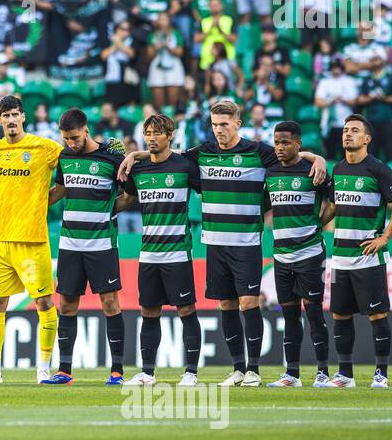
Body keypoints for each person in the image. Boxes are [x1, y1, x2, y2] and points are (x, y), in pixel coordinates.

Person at [119, 99, 326, 384]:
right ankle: (238, 369)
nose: (219, 130)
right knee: (226, 306)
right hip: (215, 243)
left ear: (238, 124)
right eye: (215, 125)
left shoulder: (258, 152)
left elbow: (289, 155)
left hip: (246, 242)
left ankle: (253, 370)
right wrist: (135, 156)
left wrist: (318, 158)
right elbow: (166, 152)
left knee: (248, 302)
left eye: (225, 125)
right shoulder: (202, 153)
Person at [0, 95, 63, 385]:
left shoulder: (45, 147)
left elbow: (69, 173)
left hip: (33, 240)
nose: (10, 120)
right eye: (5, 116)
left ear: (23, 117)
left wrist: (42, 202)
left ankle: (43, 369)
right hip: (0, 241)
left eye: (15, 114)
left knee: (44, 302)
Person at [112, 112, 203, 386]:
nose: (151, 138)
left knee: (186, 311)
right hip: (148, 254)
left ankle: (190, 373)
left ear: (170, 135)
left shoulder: (186, 166)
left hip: (177, 254)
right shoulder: (138, 170)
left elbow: (206, 192)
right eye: (147, 133)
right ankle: (147, 373)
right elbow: (126, 198)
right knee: (149, 312)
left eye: (157, 134)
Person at [48, 109, 129, 385]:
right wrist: (30, 205)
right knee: (67, 304)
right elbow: (59, 190)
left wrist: (106, 209)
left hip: (102, 243)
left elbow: (130, 195)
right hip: (70, 244)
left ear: (86, 130)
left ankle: (117, 371)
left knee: (110, 303)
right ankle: (64, 371)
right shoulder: (65, 157)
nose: (70, 143)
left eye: (73, 137)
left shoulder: (111, 157)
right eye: (66, 139)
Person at [328, 114, 392, 388]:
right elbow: (332, 207)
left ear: (367, 138)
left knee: (377, 315)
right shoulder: (337, 170)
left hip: (368, 259)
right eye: (345, 130)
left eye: (354, 130)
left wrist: (385, 237)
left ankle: (381, 374)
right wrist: (314, 225)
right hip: (340, 257)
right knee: (340, 314)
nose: (347, 134)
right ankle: (344, 374)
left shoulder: (378, 169)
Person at [264, 121, 336, 387]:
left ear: (298, 143)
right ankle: (291, 373)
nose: (280, 148)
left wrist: (319, 222)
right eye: (276, 143)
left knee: (314, 313)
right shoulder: (269, 171)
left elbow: (336, 199)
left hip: (309, 254)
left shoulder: (312, 170)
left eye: (285, 142)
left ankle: (322, 372)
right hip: (281, 255)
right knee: (290, 315)